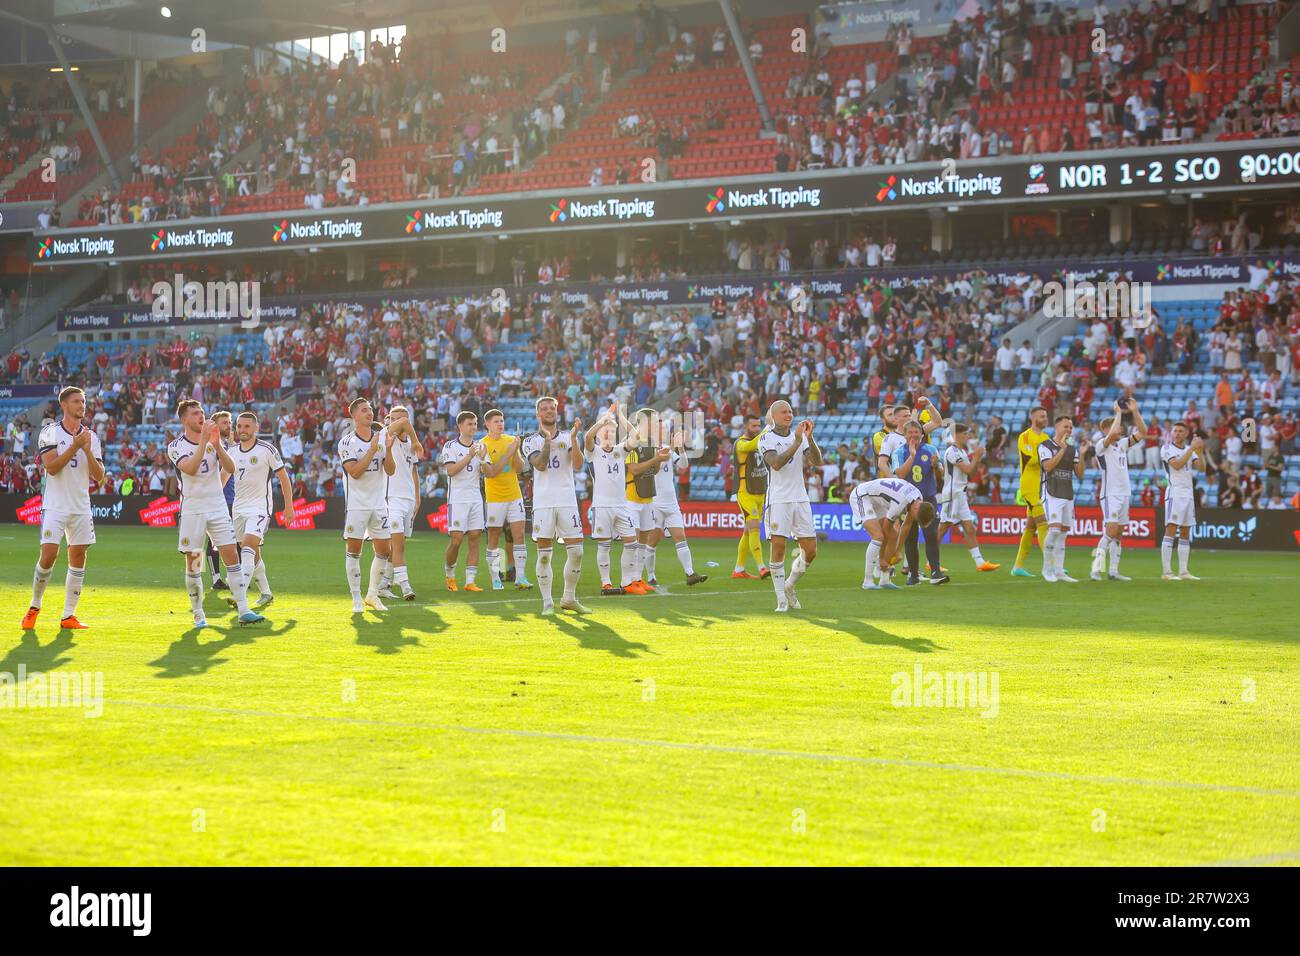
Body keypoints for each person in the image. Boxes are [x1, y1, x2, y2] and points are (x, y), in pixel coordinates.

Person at [168, 400, 266, 627]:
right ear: (184, 420)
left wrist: (218, 446)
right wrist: (204, 442)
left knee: (232, 556)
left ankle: (243, 610)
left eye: (202, 412)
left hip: (218, 506)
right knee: (194, 562)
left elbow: (231, 469)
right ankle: (198, 613)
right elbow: (191, 469)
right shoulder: (176, 446)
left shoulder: (215, 442)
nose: (201, 416)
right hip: (193, 509)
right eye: (195, 414)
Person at [22, 386, 104, 631]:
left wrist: (86, 448)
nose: (82, 405)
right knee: (48, 556)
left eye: (83, 401)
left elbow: (99, 476)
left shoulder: (92, 437)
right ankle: (35, 606)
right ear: (64, 405)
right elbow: (52, 467)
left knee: (78, 558)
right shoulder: (50, 432)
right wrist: (74, 446)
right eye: (77, 401)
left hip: (81, 507)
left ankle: (69, 615)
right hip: (55, 506)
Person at [521, 397, 589, 615]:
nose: (549, 411)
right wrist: (548, 442)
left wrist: (574, 439)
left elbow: (578, 464)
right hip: (543, 502)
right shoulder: (530, 441)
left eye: (552, 408)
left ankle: (569, 598)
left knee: (577, 552)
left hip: (567, 500)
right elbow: (540, 465)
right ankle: (548, 602)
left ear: (557, 412)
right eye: (544, 409)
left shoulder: (568, 437)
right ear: (538, 414)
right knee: (543, 555)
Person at [584, 403, 661, 595]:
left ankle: (627, 582)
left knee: (631, 543)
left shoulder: (620, 450)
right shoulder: (594, 452)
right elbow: (586, 437)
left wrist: (620, 415)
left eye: (612, 431)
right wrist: (603, 420)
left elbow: (636, 436)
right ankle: (606, 582)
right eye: (606, 431)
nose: (609, 433)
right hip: (602, 506)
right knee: (604, 545)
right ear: (599, 434)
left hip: (621, 506)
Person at [222, 410, 294, 610]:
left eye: (246, 426)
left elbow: (284, 478)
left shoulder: (267, 449)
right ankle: (266, 593)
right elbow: (223, 479)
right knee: (252, 553)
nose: (242, 430)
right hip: (238, 509)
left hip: (259, 508)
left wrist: (289, 506)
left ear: (256, 428)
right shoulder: (233, 452)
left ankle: (240, 595)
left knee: (247, 548)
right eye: (239, 426)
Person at [757, 400, 821, 612]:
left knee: (810, 550)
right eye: (784, 412)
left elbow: (816, 461)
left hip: (800, 498)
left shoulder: (800, 437)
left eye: (791, 411)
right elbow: (776, 463)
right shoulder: (766, 438)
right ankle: (781, 601)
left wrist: (809, 439)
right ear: (774, 416)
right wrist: (796, 442)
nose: (789, 415)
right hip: (778, 500)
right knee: (779, 548)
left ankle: (789, 586)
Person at [338, 397, 397, 613]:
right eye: (364, 410)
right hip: (357, 505)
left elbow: (390, 470)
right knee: (354, 551)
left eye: (370, 409)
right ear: (354, 416)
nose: (369, 413)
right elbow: (353, 472)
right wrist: (372, 450)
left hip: (379, 504)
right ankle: (356, 598)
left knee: (384, 550)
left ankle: (372, 595)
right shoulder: (347, 443)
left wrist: (387, 450)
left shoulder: (382, 438)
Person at [644, 415, 709, 591]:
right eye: (661, 427)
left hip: (671, 503)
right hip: (655, 502)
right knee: (652, 542)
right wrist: (672, 447)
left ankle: (690, 573)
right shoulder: (648, 449)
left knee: (680, 537)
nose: (664, 430)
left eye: (664, 427)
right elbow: (655, 467)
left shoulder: (667, 448)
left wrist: (680, 448)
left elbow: (683, 466)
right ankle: (650, 577)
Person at [1092, 398, 1146, 581]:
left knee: (1119, 533)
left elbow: (1143, 432)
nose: (1120, 429)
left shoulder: (1122, 444)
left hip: (1124, 493)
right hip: (1110, 494)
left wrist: (1135, 411)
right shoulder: (1101, 445)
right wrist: (1119, 413)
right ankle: (1095, 569)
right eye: (1115, 426)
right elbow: (1113, 432)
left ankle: (1113, 571)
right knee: (1111, 530)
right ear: (1105, 430)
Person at [849, 477, 937, 590]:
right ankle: (868, 581)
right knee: (878, 536)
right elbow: (886, 530)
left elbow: (906, 526)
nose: (915, 520)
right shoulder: (901, 503)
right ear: (916, 509)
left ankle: (884, 580)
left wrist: (898, 551)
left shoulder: (918, 498)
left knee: (894, 535)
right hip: (861, 495)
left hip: (876, 500)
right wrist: (882, 558)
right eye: (917, 518)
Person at [891, 420, 949, 585]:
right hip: (908, 501)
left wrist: (936, 466)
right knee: (910, 537)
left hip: (928, 500)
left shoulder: (931, 449)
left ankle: (936, 572)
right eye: (910, 432)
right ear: (905, 434)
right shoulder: (898, 453)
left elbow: (940, 474)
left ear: (921, 434)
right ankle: (914, 574)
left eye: (916, 432)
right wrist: (912, 455)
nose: (913, 435)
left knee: (931, 534)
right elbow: (900, 475)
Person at [480, 408, 532, 591]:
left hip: (514, 496)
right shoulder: (482, 445)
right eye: (496, 421)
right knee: (493, 537)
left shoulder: (510, 441)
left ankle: (521, 576)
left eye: (502, 421)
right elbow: (492, 473)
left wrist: (516, 451)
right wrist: (509, 453)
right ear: (487, 424)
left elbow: (519, 469)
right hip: (494, 499)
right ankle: (495, 578)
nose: (500, 424)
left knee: (519, 536)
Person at [938, 423, 1000, 572]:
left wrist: (977, 459)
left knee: (969, 528)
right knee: (943, 528)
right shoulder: (952, 452)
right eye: (965, 434)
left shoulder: (962, 452)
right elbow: (968, 469)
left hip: (961, 493)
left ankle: (980, 562)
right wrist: (977, 457)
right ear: (957, 435)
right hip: (953, 493)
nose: (968, 437)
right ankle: (932, 560)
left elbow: (971, 474)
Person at [377, 406, 423, 600]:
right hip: (392, 499)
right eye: (390, 419)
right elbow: (403, 424)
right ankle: (405, 586)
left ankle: (383, 585)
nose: (392, 422)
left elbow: (413, 472)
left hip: (408, 500)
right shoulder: (385, 436)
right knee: (398, 546)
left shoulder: (408, 445)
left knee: (397, 547)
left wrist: (417, 498)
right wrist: (417, 440)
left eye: (397, 419)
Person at [439, 410, 488, 592]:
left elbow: (487, 473)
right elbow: (451, 471)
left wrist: (483, 461)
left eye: (475, 423)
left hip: (476, 497)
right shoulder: (450, 446)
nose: (474, 427)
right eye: (470, 424)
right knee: (457, 541)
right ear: (460, 426)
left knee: (475, 538)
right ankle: (450, 576)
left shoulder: (481, 447)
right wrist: (469, 456)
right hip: (457, 499)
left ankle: (470, 582)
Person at [1036, 415, 1088, 583]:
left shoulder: (1072, 448)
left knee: (1063, 533)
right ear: (1057, 427)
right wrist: (1063, 449)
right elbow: (1048, 467)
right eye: (1066, 427)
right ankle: (1047, 569)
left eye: (1071, 428)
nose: (1069, 430)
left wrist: (1082, 455)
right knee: (1054, 530)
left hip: (1067, 493)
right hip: (1051, 492)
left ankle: (1059, 571)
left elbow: (1080, 474)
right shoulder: (1045, 446)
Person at [1160, 422, 1206, 581]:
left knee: (1186, 531)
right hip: (1175, 493)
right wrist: (1192, 449)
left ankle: (1183, 571)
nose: (1178, 433)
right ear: (1172, 433)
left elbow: (1202, 468)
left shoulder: (1189, 450)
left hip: (1188, 494)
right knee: (1171, 529)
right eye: (1175, 431)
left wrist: (1200, 450)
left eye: (1181, 431)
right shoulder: (1167, 448)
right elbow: (1177, 465)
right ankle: (1166, 572)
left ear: (1186, 434)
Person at [1011, 406, 1051, 577]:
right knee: (1043, 522)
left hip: (1041, 486)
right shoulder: (1025, 436)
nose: (1045, 418)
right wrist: (1048, 456)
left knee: (1030, 526)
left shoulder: (1046, 437)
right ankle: (1051, 564)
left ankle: (1018, 567)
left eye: (1046, 415)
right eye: (1042, 416)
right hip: (1028, 486)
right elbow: (1031, 459)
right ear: (1034, 418)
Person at [731, 414, 769, 579]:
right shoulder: (740, 444)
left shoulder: (761, 442)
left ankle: (739, 569)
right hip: (745, 492)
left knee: (747, 532)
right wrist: (769, 428)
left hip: (760, 491)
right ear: (746, 426)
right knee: (754, 527)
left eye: (759, 426)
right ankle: (762, 567)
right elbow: (753, 444)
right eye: (754, 426)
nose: (757, 429)